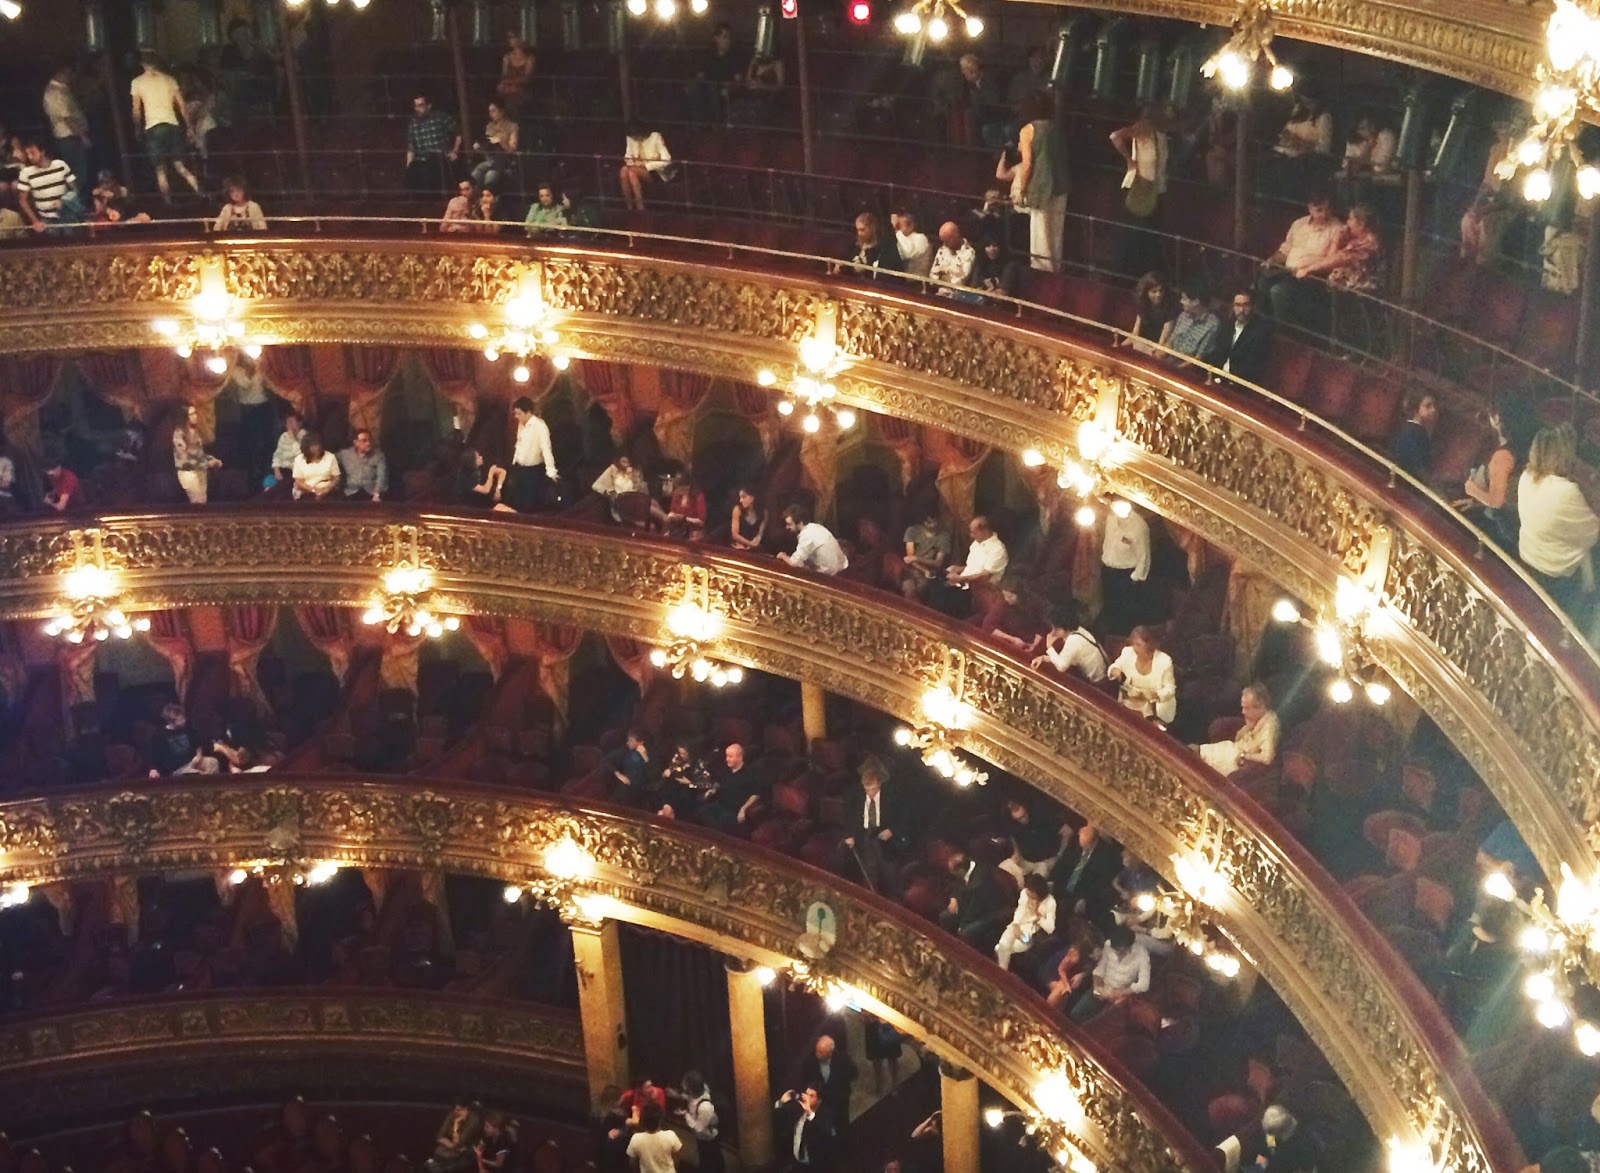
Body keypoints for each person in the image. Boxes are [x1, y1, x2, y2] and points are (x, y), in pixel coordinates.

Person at [1518, 423, 1600, 620]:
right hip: (1557, 570)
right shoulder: (1566, 491)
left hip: (1530, 556)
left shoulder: (1527, 477)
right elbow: (1592, 533)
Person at [1462, 392, 1539, 550]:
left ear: (1497, 419)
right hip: (1523, 519)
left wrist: (1472, 490)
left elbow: (1497, 502)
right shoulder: (1528, 446)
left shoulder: (1503, 456)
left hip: (1502, 528)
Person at [1257, 193, 1344, 324]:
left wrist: (1307, 269)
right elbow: (1285, 249)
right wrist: (1272, 260)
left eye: (1327, 209)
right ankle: (1263, 324)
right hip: (1287, 271)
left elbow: (1331, 260)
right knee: (1263, 281)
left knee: (1278, 291)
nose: (1324, 214)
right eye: (1319, 210)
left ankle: (1285, 330)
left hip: (1313, 276)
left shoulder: (1337, 229)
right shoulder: (1299, 224)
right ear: (1310, 209)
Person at [131, 53, 201, 204]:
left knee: (160, 170)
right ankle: (200, 192)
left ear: (143, 64)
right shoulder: (169, 79)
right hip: (172, 123)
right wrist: (189, 126)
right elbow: (181, 104)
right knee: (179, 165)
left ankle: (168, 203)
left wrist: (137, 128)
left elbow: (136, 108)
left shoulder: (137, 82)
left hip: (153, 126)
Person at [1013, 90, 1069, 271]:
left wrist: (1022, 189)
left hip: (1040, 187)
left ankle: (1042, 272)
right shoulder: (1056, 127)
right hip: (1060, 185)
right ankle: (1056, 270)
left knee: (1040, 236)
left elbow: (1027, 164)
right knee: (1056, 234)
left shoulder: (1028, 130)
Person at [841, 755, 907, 893]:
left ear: (879, 784)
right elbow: (847, 816)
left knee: (889, 873)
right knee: (869, 871)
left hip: (885, 840)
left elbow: (903, 818)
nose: (869, 793)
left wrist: (891, 830)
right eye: (866, 789)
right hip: (864, 837)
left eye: (872, 789)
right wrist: (849, 835)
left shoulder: (891, 797)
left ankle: (894, 897)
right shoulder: (855, 796)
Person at [1070, 923, 1151, 1022]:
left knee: (1099, 1022)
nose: (1117, 954)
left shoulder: (1142, 954)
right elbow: (1099, 969)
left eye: (1121, 951)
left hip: (1122, 994)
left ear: (1130, 946)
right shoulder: (1108, 944)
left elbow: (1144, 984)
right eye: (1115, 950)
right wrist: (1098, 988)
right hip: (1103, 988)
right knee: (1076, 1013)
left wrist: (1122, 992)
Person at [1194, 683, 1280, 776]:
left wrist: (1245, 756)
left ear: (1261, 706)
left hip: (1234, 760)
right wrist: (1247, 727)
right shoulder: (1255, 718)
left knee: (1196, 756)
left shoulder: (1269, 726)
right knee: (1194, 749)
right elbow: (1237, 738)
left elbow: (1267, 758)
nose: (1243, 712)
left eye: (1247, 708)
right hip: (1231, 748)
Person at [1050, 822, 1120, 923]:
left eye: (1086, 846)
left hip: (1083, 893)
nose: (1082, 849)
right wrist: (1052, 880)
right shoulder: (1076, 841)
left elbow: (1100, 883)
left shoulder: (1105, 855)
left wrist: (1085, 899)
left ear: (1094, 841)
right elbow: (1063, 863)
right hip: (1065, 884)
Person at [1099, 500, 1151, 635]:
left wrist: (1135, 578)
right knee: (1109, 605)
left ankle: (1123, 636)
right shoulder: (1111, 518)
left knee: (1124, 611)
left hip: (1126, 575)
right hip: (1108, 569)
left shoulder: (1139, 526)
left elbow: (1144, 556)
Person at [940, 849, 1008, 951]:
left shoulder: (978, 883)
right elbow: (957, 884)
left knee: (965, 932)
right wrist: (954, 898)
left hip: (989, 911)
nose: (952, 874)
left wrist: (962, 926)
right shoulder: (968, 864)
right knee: (945, 916)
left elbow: (974, 910)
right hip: (969, 904)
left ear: (961, 871)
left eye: (953, 872)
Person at [500, 396, 559, 513]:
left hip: (532, 471)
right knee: (516, 500)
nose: (516, 416)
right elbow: (519, 443)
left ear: (528, 412)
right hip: (519, 468)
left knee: (528, 504)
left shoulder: (540, 426)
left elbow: (546, 449)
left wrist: (551, 471)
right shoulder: (521, 424)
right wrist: (514, 462)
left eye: (519, 413)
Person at [1108, 625, 1176, 724]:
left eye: (1138, 644)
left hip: (1154, 708)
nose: (1134, 647)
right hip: (1129, 702)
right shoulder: (1128, 652)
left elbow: (1170, 689)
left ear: (1149, 644)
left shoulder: (1164, 661)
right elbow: (1115, 666)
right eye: (1133, 643)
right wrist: (1115, 670)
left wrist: (1155, 695)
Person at [1029, 600, 1108, 682]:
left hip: (1098, 682)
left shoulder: (1073, 640)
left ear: (1064, 628)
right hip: (1100, 675)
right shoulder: (1078, 630)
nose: (1053, 632)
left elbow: (1062, 666)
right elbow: (1065, 658)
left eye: (1056, 628)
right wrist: (1043, 658)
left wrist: (1049, 647)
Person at [1208, 289, 1272, 387]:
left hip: (1238, 385)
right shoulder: (1226, 325)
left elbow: (1251, 367)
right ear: (1233, 307)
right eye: (1237, 305)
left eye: (1246, 305)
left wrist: (1224, 381)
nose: (1241, 310)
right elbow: (1216, 353)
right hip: (1217, 377)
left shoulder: (1260, 332)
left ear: (1253, 307)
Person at [42, 62, 90, 192]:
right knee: (77, 172)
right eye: (69, 73)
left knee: (78, 171)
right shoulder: (55, 93)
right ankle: (76, 199)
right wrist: (82, 136)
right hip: (69, 137)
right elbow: (68, 117)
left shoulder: (63, 90)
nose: (71, 77)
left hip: (71, 136)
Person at [698, 743, 765, 833]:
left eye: (730, 756)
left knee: (721, 823)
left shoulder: (749, 774)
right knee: (701, 812)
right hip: (720, 806)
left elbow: (756, 794)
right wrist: (712, 790)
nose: (727, 759)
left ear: (740, 757)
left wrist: (744, 808)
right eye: (727, 756)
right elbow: (718, 783)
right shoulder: (725, 770)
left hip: (734, 810)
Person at [798, 1034, 857, 1137]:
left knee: (842, 1129)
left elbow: (854, 1074)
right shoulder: (809, 1062)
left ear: (830, 1053)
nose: (817, 1055)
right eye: (817, 1051)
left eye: (821, 1052)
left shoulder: (843, 1059)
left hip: (840, 1101)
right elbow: (805, 1080)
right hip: (821, 1104)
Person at [16, 138, 80, 232]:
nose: (30, 157)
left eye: (33, 153)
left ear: (42, 151)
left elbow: (75, 189)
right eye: (28, 154)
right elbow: (22, 200)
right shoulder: (26, 173)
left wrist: (64, 201)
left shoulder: (60, 165)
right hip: (46, 219)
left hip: (66, 214)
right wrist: (35, 221)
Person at [995, 874, 1056, 971]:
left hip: (1029, 935)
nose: (1028, 894)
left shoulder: (1050, 902)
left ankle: (1001, 970)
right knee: (1003, 944)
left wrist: (1037, 915)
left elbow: (1050, 928)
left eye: (1031, 893)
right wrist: (1016, 925)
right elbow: (1020, 910)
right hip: (1016, 926)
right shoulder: (1025, 893)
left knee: (1004, 948)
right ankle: (1002, 972)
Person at [406, 94, 461, 193]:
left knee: (432, 166)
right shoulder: (413, 123)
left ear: (429, 106)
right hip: (421, 160)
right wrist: (409, 165)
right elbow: (411, 147)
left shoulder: (440, 117)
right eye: (416, 106)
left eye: (421, 105)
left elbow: (458, 134)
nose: (417, 109)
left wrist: (455, 151)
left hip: (440, 158)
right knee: (411, 173)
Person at [774, 1087, 836, 1172]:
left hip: (815, 1167)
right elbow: (782, 1121)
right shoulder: (799, 1110)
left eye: (811, 1096)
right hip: (796, 1162)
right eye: (807, 1094)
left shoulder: (825, 1115)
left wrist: (810, 1112)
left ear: (819, 1100)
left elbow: (823, 1133)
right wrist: (781, 1102)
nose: (807, 1098)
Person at [690, 23, 742, 124]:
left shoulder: (733, 58)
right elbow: (700, 75)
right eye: (725, 37)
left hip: (723, 89)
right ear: (716, 38)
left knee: (713, 91)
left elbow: (738, 81)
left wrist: (730, 87)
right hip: (707, 88)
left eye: (729, 38)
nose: (728, 41)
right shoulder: (708, 55)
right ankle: (697, 125)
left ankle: (715, 125)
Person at [999, 799, 1062, 883]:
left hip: (1045, 861)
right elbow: (1012, 836)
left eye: (1023, 816)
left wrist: (1058, 856)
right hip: (1025, 860)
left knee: (1035, 883)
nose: (1021, 820)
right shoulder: (1013, 824)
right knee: (1003, 868)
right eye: (1018, 819)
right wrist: (1016, 851)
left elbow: (1067, 832)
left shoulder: (1042, 815)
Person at [1162, 284, 1220, 371]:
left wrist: (1175, 370)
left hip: (1187, 370)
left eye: (1184, 299)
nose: (1181, 301)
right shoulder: (1183, 315)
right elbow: (1170, 343)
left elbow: (1198, 359)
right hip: (1168, 361)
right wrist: (1157, 358)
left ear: (1196, 302)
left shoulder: (1212, 324)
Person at [172, 404, 222, 505]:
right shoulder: (179, 434)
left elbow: (199, 454)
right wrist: (207, 464)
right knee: (197, 501)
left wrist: (212, 459)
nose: (195, 416)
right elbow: (185, 460)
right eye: (191, 414)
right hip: (188, 472)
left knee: (203, 500)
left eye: (195, 413)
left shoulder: (196, 432)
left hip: (200, 471)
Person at [899, 507, 952, 601]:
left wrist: (916, 558)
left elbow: (938, 563)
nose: (932, 525)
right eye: (929, 522)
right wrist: (923, 569)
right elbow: (909, 559)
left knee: (922, 589)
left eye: (934, 522)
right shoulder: (912, 531)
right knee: (909, 588)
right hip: (912, 570)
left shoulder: (944, 537)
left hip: (930, 574)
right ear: (923, 521)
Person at [779, 505, 848, 575]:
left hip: (830, 574)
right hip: (840, 567)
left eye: (789, 524)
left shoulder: (807, 536)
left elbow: (794, 562)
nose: (787, 527)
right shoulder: (815, 526)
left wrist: (783, 556)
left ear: (800, 523)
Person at [1118, 273, 1176, 356]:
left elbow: (1162, 343)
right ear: (1146, 293)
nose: (1158, 295)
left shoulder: (1170, 310)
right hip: (1139, 345)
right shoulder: (1142, 306)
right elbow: (1135, 334)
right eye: (1154, 291)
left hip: (1155, 351)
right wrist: (1119, 348)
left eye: (1161, 291)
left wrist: (1149, 351)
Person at [619, 124, 672, 211]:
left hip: (654, 171)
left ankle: (640, 206)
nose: (635, 139)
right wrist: (632, 162)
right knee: (624, 170)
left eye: (636, 136)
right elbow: (628, 156)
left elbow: (667, 160)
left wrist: (645, 165)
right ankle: (629, 205)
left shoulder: (655, 137)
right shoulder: (630, 138)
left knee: (632, 172)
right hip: (635, 167)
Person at [470, 101, 520, 191]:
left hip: (505, 160)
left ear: (501, 112)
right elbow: (487, 147)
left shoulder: (512, 126)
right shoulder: (489, 126)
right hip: (490, 159)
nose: (491, 114)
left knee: (490, 178)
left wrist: (500, 142)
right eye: (489, 111)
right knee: (476, 175)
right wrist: (479, 148)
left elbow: (512, 150)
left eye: (493, 111)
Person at [677, 1072, 720, 1173]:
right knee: (703, 1158)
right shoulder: (695, 1093)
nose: (682, 1086)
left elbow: (699, 1128)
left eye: (685, 1085)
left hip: (707, 1139)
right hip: (700, 1138)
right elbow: (688, 1097)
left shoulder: (705, 1107)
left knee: (710, 1162)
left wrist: (686, 1115)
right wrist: (678, 1095)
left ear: (691, 1089)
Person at [1391, 392, 1438, 482]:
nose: (1433, 410)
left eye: (1434, 406)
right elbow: (1415, 464)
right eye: (1428, 406)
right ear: (1416, 409)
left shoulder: (1420, 432)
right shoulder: (1412, 432)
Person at [1254, 1105, 1318, 1171]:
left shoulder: (1299, 1145)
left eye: (1271, 1133)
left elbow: (1274, 1164)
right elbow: (1268, 1148)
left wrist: (1265, 1163)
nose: (1269, 1135)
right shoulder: (1272, 1135)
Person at [425, 1100, 483, 1173]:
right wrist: (451, 1145)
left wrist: (456, 1125)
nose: (457, 1112)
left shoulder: (473, 1121)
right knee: (435, 1156)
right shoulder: (452, 1114)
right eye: (455, 1110)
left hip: (465, 1150)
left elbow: (459, 1142)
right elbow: (439, 1136)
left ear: (466, 1110)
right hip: (450, 1145)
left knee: (450, 1161)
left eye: (460, 1110)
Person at [624, 1103, 679, 1173]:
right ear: (660, 1120)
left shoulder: (636, 1139)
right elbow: (677, 1159)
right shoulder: (670, 1135)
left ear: (643, 1121)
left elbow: (632, 1162)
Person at [592, 454, 648, 521]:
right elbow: (596, 486)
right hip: (621, 501)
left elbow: (637, 486)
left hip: (634, 498)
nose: (626, 464)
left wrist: (636, 479)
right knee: (650, 509)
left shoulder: (630, 472)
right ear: (618, 462)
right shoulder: (612, 470)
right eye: (623, 462)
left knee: (652, 503)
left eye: (628, 462)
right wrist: (607, 492)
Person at [338, 429, 388, 503]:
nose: (368, 443)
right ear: (355, 443)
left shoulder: (378, 455)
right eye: (364, 440)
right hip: (350, 493)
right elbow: (329, 459)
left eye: (370, 440)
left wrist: (377, 493)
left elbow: (382, 476)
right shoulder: (345, 454)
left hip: (371, 494)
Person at [928, 220, 977, 295]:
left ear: (956, 236)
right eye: (943, 241)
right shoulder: (942, 250)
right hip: (939, 293)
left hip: (958, 297)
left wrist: (943, 276)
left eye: (947, 241)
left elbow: (961, 282)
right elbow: (932, 277)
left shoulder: (969, 253)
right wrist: (950, 276)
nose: (945, 244)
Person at [655, 471, 707, 541]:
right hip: (677, 528)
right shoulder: (676, 493)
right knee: (665, 538)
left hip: (693, 530)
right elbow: (672, 512)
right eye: (678, 488)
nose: (679, 491)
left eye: (682, 488)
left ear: (689, 486)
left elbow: (701, 522)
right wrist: (672, 516)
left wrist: (684, 518)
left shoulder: (698, 496)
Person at [292, 433, 341, 501]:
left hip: (328, 492)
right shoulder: (299, 459)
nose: (317, 447)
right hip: (307, 492)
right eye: (314, 445)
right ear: (307, 447)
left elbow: (336, 478)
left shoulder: (330, 457)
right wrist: (314, 490)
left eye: (318, 444)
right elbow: (299, 481)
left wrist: (326, 490)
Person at [496, 32, 536, 111]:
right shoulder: (507, 57)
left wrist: (515, 82)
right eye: (509, 38)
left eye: (512, 37)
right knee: (503, 89)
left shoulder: (530, 58)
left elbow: (527, 78)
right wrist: (507, 82)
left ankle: (512, 113)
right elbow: (504, 75)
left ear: (520, 39)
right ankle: (510, 113)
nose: (510, 40)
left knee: (514, 92)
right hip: (508, 86)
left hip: (523, 87)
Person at [269, 412, 307, 489]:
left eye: (292, 422)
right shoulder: (284, 436)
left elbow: (300, 455)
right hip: (283, 468)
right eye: (287, 423)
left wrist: (293, 438)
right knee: (269, 483)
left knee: (280, 488)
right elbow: (277, 455)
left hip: (296, 471)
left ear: (299, 423)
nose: (289, 425)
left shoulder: (305, 436)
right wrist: (276, 470)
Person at [891, 210, 933, 278]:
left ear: (911, 225)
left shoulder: (921, 238)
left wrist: (895, 230)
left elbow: (905, 254)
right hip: (904, 279)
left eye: (900, 225)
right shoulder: (904, 238)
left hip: (917, 281)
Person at [730, 486, 767, 551]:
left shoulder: (763, 512)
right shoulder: (737, 509)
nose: (740, 500)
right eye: (740, 497)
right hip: (737, 546)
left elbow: (760, 534)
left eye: (743, 497)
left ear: (752, 498)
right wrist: (749, 544)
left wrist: (754, 543)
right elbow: (735, 534)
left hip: (754, 547)